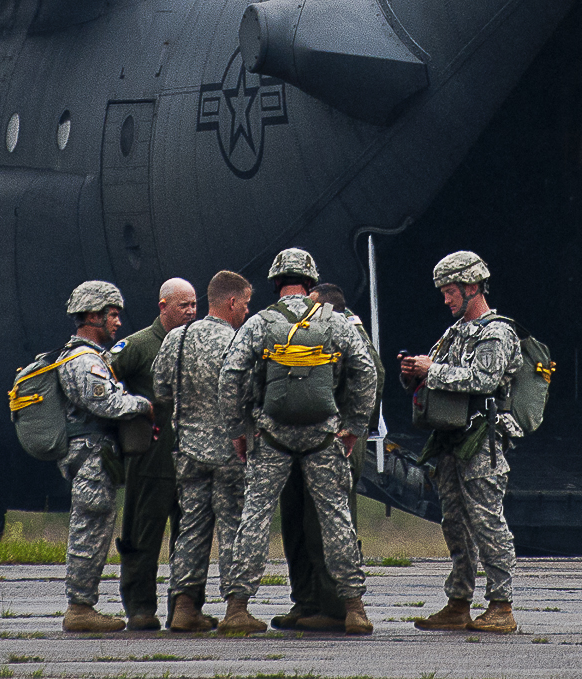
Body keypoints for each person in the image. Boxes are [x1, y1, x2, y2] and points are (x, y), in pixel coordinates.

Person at [214, 247, 377, 636]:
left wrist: (238, 430)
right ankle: (354, 608)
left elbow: (230, 377)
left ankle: (237, 608)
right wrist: (354, 425)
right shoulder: (335, 322)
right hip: (323, 436)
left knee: (254, 518)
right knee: (336, 519)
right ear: (309, 281)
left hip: (272, 436)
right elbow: (366, 372)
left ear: (275, 282)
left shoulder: (259, 323)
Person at [398, 249, 520, 634]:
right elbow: (440, 370)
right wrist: (415, 372)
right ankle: (458, 602)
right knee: (454, 522)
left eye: (450, 291)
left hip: (482, 442)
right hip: (452, 440)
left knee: (487, 521)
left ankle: (501, 605)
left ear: (471, 287)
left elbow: (484, 380)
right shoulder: (453, 334)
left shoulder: (496, 333)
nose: (446, 299)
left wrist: (432, 370)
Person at [53, 278, 154, 634]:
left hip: (96, 456)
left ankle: (82, 604)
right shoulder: (84, 361)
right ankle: (80, 608)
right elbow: (105, 402)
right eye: (112, 315)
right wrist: (143, 405)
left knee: (94, 526)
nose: (118, 323)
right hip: (92, 457)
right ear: (93, 317)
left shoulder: (88, 357)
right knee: (90, 529)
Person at [159, 269, 252, 632]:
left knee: (191, 529)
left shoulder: (177, 340)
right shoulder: (240, 341)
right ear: (231, 302)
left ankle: (184, 608)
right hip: (232, 453)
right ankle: (236, 609)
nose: (246, 311)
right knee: (233, 527)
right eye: (244, 304)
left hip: (188, 452)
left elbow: (162, 389)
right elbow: (248, 394)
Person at [107, 277, 198, 631]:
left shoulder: (198, 343)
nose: (191, 312)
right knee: (142, 535)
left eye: (194, 305)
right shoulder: (141, 345)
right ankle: (140, 608)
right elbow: (100, 378)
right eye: (183, 306)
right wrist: (130, 416)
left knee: (190, 535)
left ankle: (185, 608)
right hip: (150, 459)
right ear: (163, 307)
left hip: (192, 458)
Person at [270, 282, 360, 631]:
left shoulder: (346, 328)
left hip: (334, 441)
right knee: (296, 521)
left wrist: (351, 425)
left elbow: (372, 376)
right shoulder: (306, 330)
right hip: (300, 441)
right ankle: (306, 600)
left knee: (326, 524)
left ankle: (335, 604)